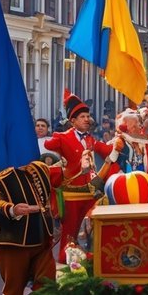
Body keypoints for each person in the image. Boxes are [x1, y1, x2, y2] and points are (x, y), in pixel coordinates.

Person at [0, 158, 76, 295]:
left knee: (46, 284)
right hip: (13, 243)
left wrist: (82, 164)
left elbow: (66, 175)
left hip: (41, 240)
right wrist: (12, 209)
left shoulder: (40, 168)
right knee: (13, 291)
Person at [45, 90, 109, 261]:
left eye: (88, 116)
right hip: (71, 192)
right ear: (72, 121)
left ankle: (85, 256)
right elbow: (47, 144)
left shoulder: (90, 139)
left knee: (90, 226)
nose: (87, 119)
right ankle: (64, 259)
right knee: (70, 230)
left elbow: (105, 150)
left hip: (89, 191)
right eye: (82, 117)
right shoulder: (63, 137)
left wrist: (119, 145)